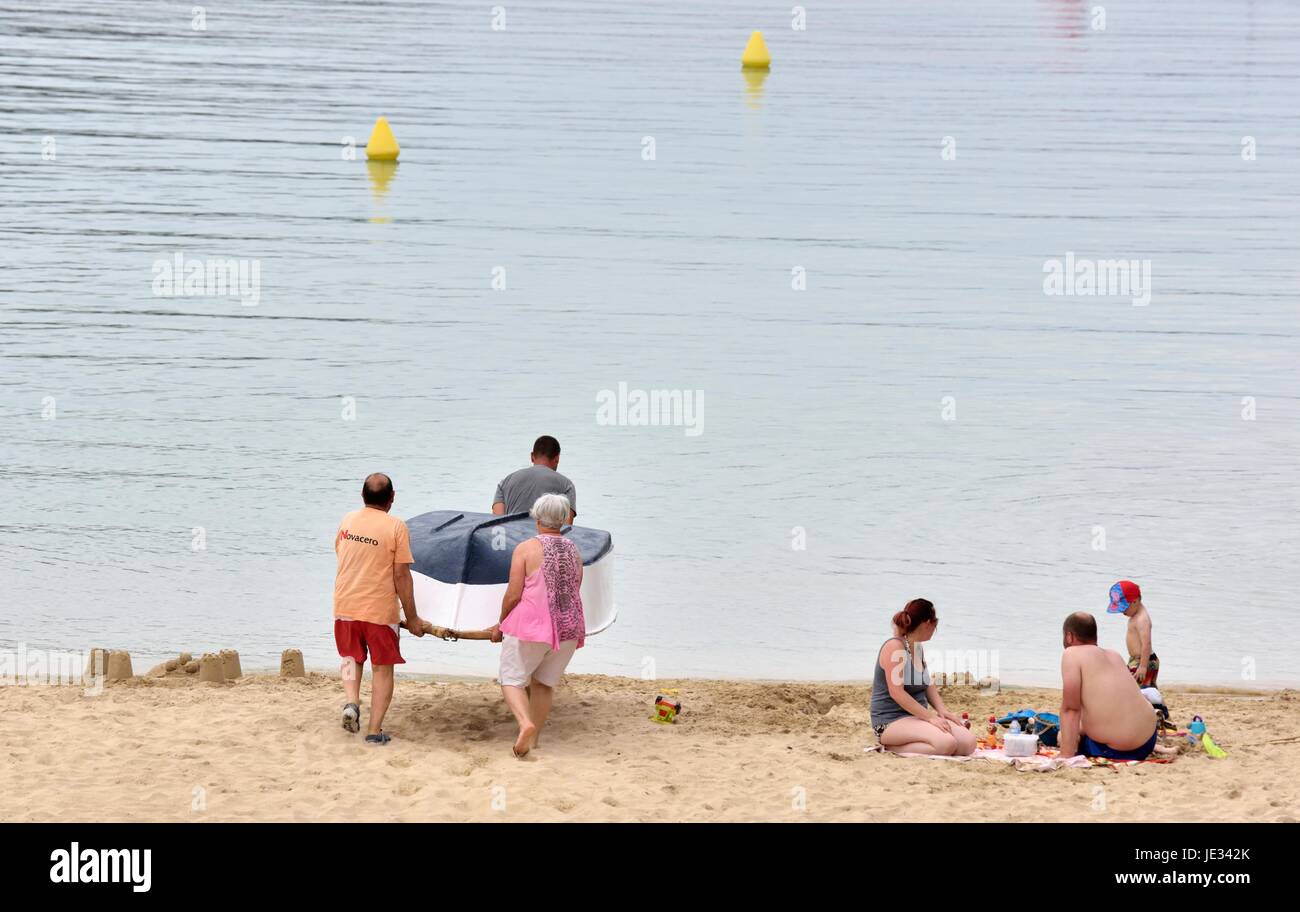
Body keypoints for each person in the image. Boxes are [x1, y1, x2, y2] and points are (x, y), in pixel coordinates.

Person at [487, 493, 585, 758]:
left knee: (511, 679)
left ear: (537, 517)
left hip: (532, 626)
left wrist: (500, 623)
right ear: (564, 519)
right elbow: (575, 588)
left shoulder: (527, 548)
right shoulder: (574, 550)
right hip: (567, 628)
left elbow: (513, 594)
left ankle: (524, 723)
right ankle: (534, 740)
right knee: (543, 684)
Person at [333, 473, 424, 744]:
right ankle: (374, 731)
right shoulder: (396, 527)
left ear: (362, 497)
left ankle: (351, 702)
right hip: (379, 610)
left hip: (345, 604)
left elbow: (342, 554)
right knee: (382, 668)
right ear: (392, 498)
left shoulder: (348, 520)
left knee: (351, 658)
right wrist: (413, 617)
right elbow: (401, 576)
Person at [870, 598, 976, 756]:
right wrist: (930, 718)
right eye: (936, 624)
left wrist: (942, 711)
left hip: (916, 717)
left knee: (967, 743)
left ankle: (924, 740)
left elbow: (927, 683)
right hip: (890, 721)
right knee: (946, 744)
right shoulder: (895, 647)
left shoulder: (916, 647)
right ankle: (889, 747)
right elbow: (896, 693)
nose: (935, 628)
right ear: (928, 623)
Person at [1058, 612, 1158, 760]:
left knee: (1062, 734)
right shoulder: (1114, 655)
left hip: (1122, 750)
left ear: (1069, 636)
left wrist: (1065, 755)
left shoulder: (1071, 654)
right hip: (1148, 740)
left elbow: (1071, 709)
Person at [491, 435, 577, 520]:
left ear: (532, 456)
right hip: (546, 533)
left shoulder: (505, 482)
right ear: (557, 458)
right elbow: (567, 526)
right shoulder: (567, 485)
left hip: (513, 533)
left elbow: (498, 521)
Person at [1108, 580, 1157, 686]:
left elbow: (1146, 644)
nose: (1122, 611)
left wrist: (1143, 666)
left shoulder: (1142, 619)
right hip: (1138, 660)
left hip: (1144, 661)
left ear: (1135, 601)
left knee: (1135, 690)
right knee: (1143, 690)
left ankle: (1153, 702)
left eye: (1124, 607)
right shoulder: (1135, 615)